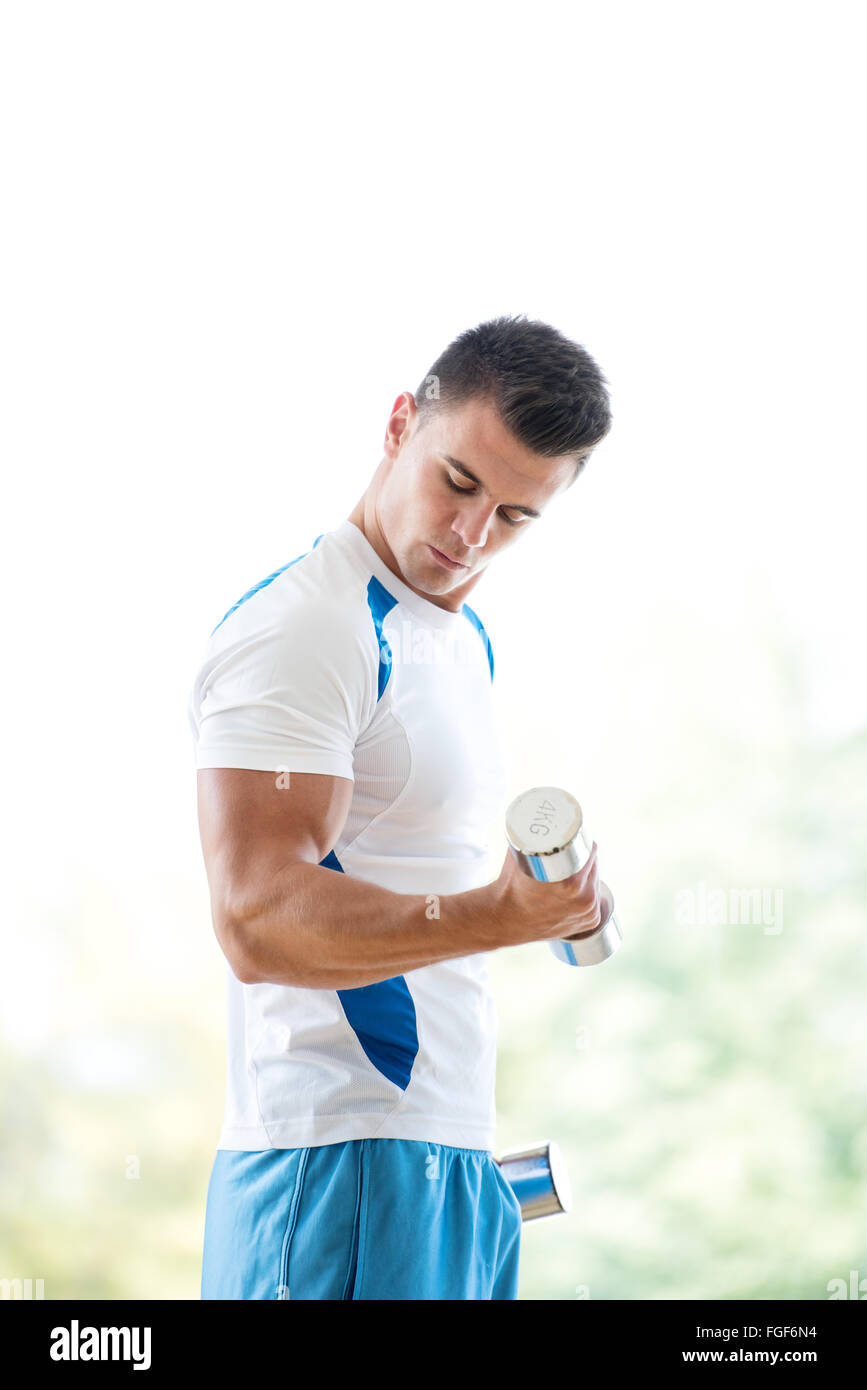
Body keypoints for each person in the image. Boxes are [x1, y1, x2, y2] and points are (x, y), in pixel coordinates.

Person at [188, 313, 612, 1300]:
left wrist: (538, 905)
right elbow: (254, 917)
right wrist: (497, 917)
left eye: (514, 515)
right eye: (457, 481)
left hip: (447, 1154)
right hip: (336, 1161)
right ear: (396, 427)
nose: (471, 534)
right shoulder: (307, 628)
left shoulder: (460, 643)